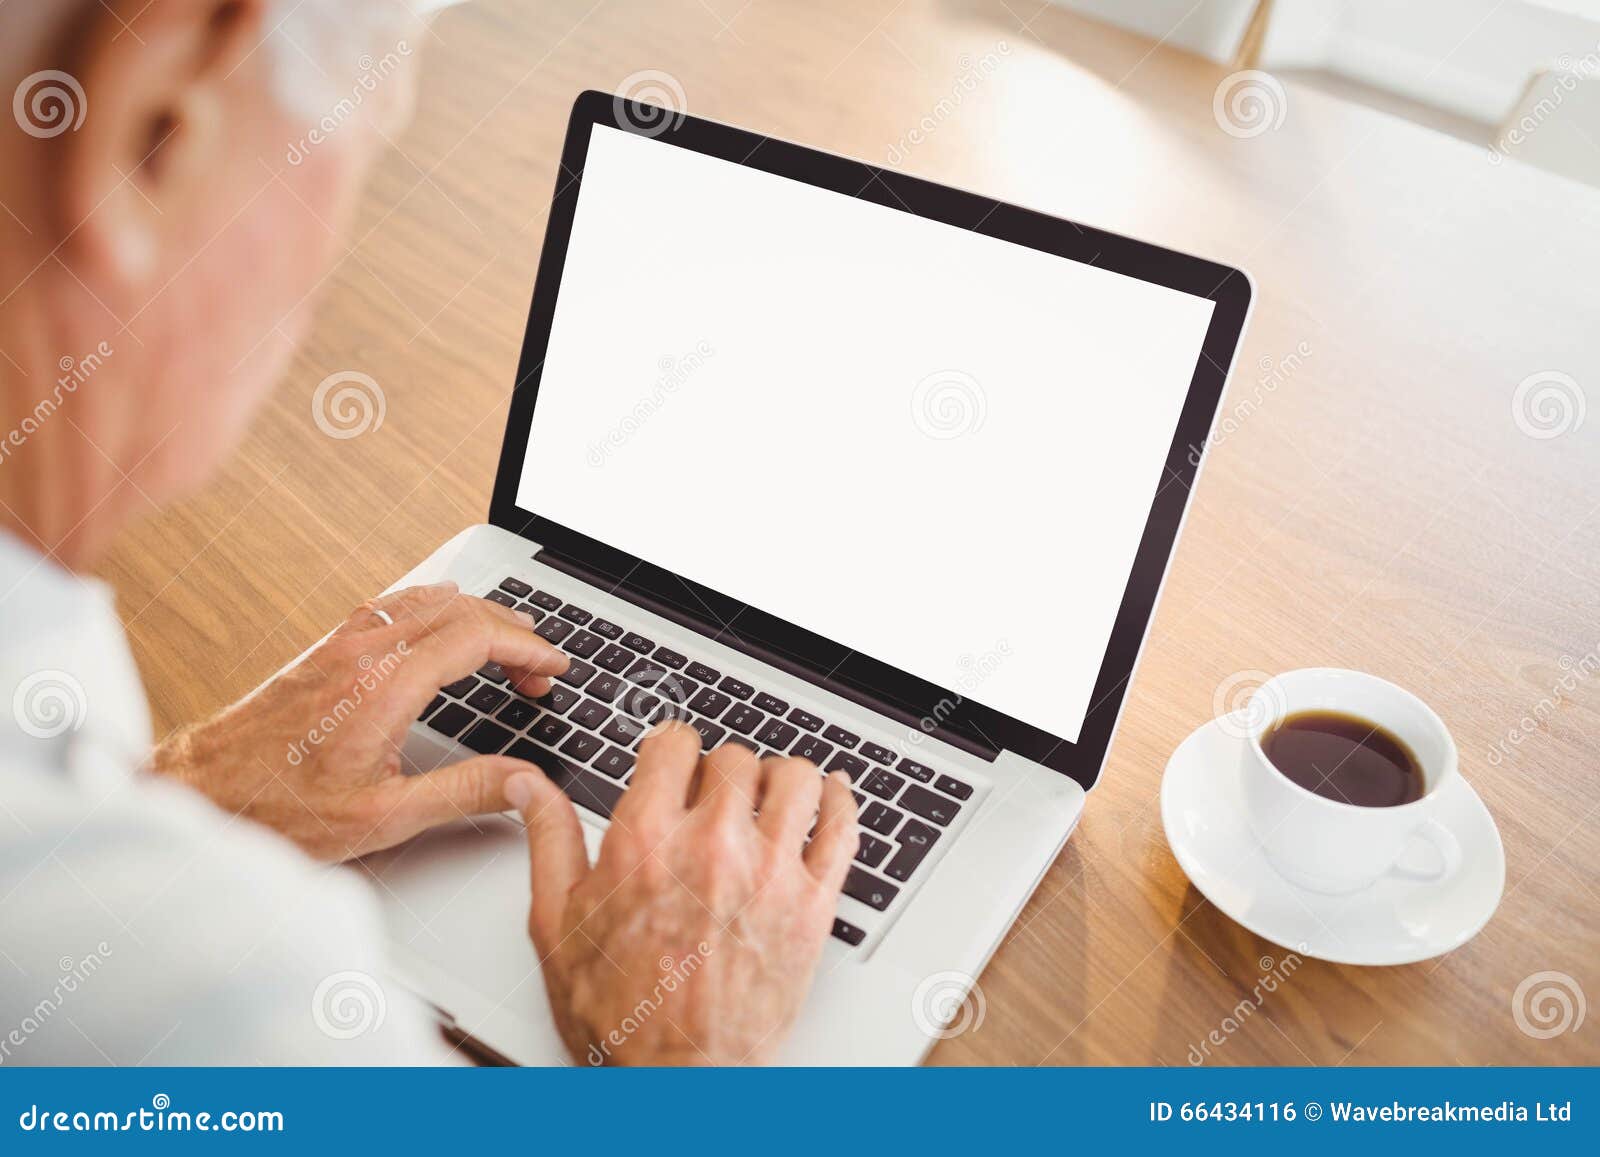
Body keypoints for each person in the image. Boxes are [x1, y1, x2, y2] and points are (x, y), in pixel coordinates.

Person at [0, 0, 857, 1066]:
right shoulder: (239, 1010)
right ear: (151, 119)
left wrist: (187, 798)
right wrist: (687, 1052)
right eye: (368, 139)